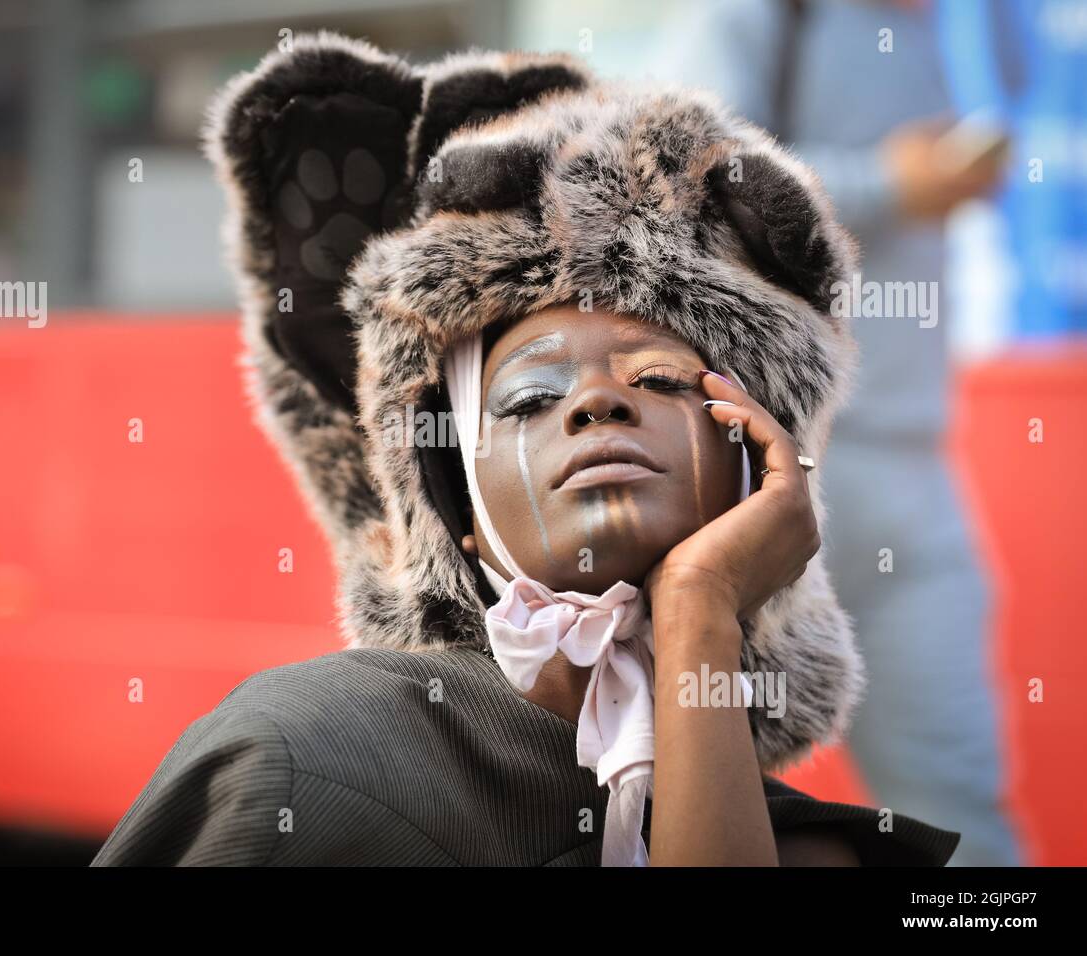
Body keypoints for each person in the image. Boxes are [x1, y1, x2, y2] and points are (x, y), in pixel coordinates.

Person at [91, 32, 960, 866]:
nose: (596, 401)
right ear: (457, 513)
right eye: (531, 398)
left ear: (753, 465)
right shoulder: (306, 760)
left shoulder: (807, 849)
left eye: (658, 379)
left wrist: (700, 605)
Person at [644, 0, 1022, 866]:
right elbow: (686, 183)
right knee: (679, 795)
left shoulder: (953, 25)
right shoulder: (767, 14)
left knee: (958, 807)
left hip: (914, 463)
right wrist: (895, 183)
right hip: (765, 466)